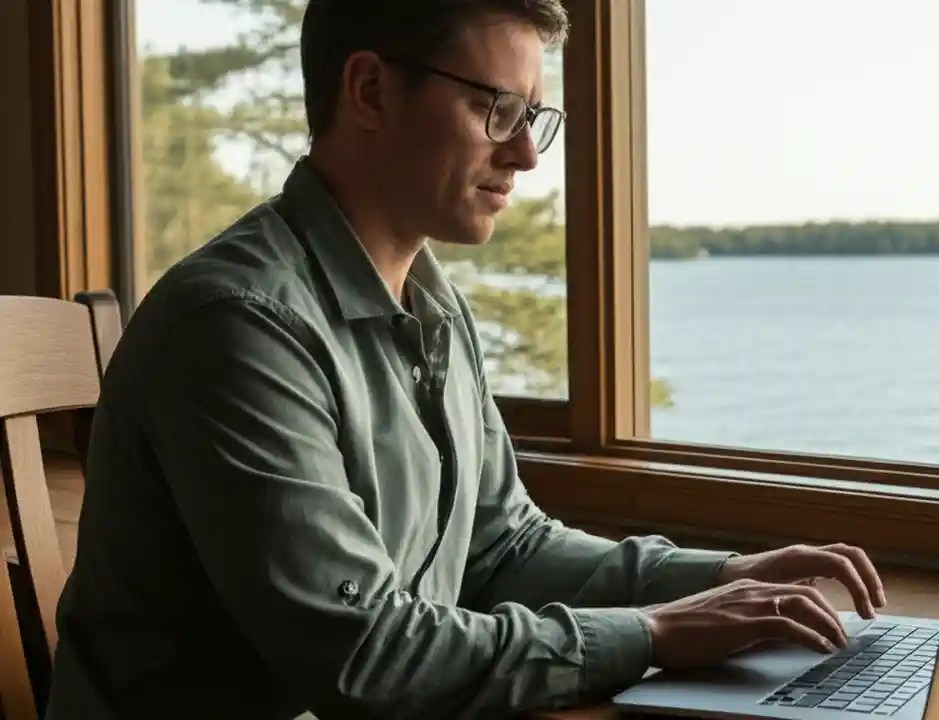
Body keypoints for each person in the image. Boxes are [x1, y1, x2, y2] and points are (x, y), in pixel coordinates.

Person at [46, 1, 887, 718]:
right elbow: (363, 655)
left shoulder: (429, 299)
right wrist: (661, 631)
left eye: (534, 118)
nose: (524, 154)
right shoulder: (235, 325)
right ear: (371, 90)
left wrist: (723, 577)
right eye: (496, 109)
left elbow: (502, 550)